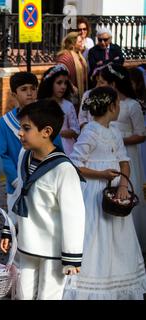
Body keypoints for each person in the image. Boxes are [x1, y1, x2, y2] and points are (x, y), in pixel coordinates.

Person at [63, 86, 146, 300]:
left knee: (117, 236)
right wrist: (101, 174)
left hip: (114, 192)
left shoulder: (115, 131)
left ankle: (117, 281)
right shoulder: (90, 131)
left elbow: (124, 160)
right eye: (117, 104)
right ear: (111, 106)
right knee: (95, 235)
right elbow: (74, 164)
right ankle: (90, 284)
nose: (119, 107)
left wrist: (122, 186)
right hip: (93, 193)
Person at [0, 99, 86, 300]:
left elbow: (74, 215)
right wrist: (9, 227)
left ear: (46, 132)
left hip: (52, 250)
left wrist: (72, 256)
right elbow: (19, 194)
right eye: (21, 127)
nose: (20, 133)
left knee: (49, 296)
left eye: (26, 128)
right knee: (22, 294)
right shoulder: (24, 155)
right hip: (26, 243)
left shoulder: (64, 169)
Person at [0, 72, 63, 224]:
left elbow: (57, 147)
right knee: (16, 225)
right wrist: (15, 179)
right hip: (15, 185)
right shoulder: (5, 122)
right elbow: (3, 154)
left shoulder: (47, 118)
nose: (29, 93)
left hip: (43, 181)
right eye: (24, 89)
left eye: (33, 89)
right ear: (14, 94)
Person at [98, 63, 146, 253]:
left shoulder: (131, 105)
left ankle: (132, 236)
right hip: (108, 154)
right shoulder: (106, 102)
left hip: (128, 153)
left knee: (127, 187)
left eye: (104, 81)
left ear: (115, 83)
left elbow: (142, 133)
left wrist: (119, 140)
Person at [38, 65, 80, 155]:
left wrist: (57, 132)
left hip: (66, 148)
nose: (63, 87)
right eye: (59, 83)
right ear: (50, 83)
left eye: (65, 83)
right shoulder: (41, 105)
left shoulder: (68, 106)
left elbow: (75, 130)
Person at [56, 32, 88, 106]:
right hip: (69, 94)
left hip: (79, 93)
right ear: (73, 44)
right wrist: (71, 86)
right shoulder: (64, 57)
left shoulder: (79, 55)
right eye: (80, 42)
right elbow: (60, 74)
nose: (82, 43)